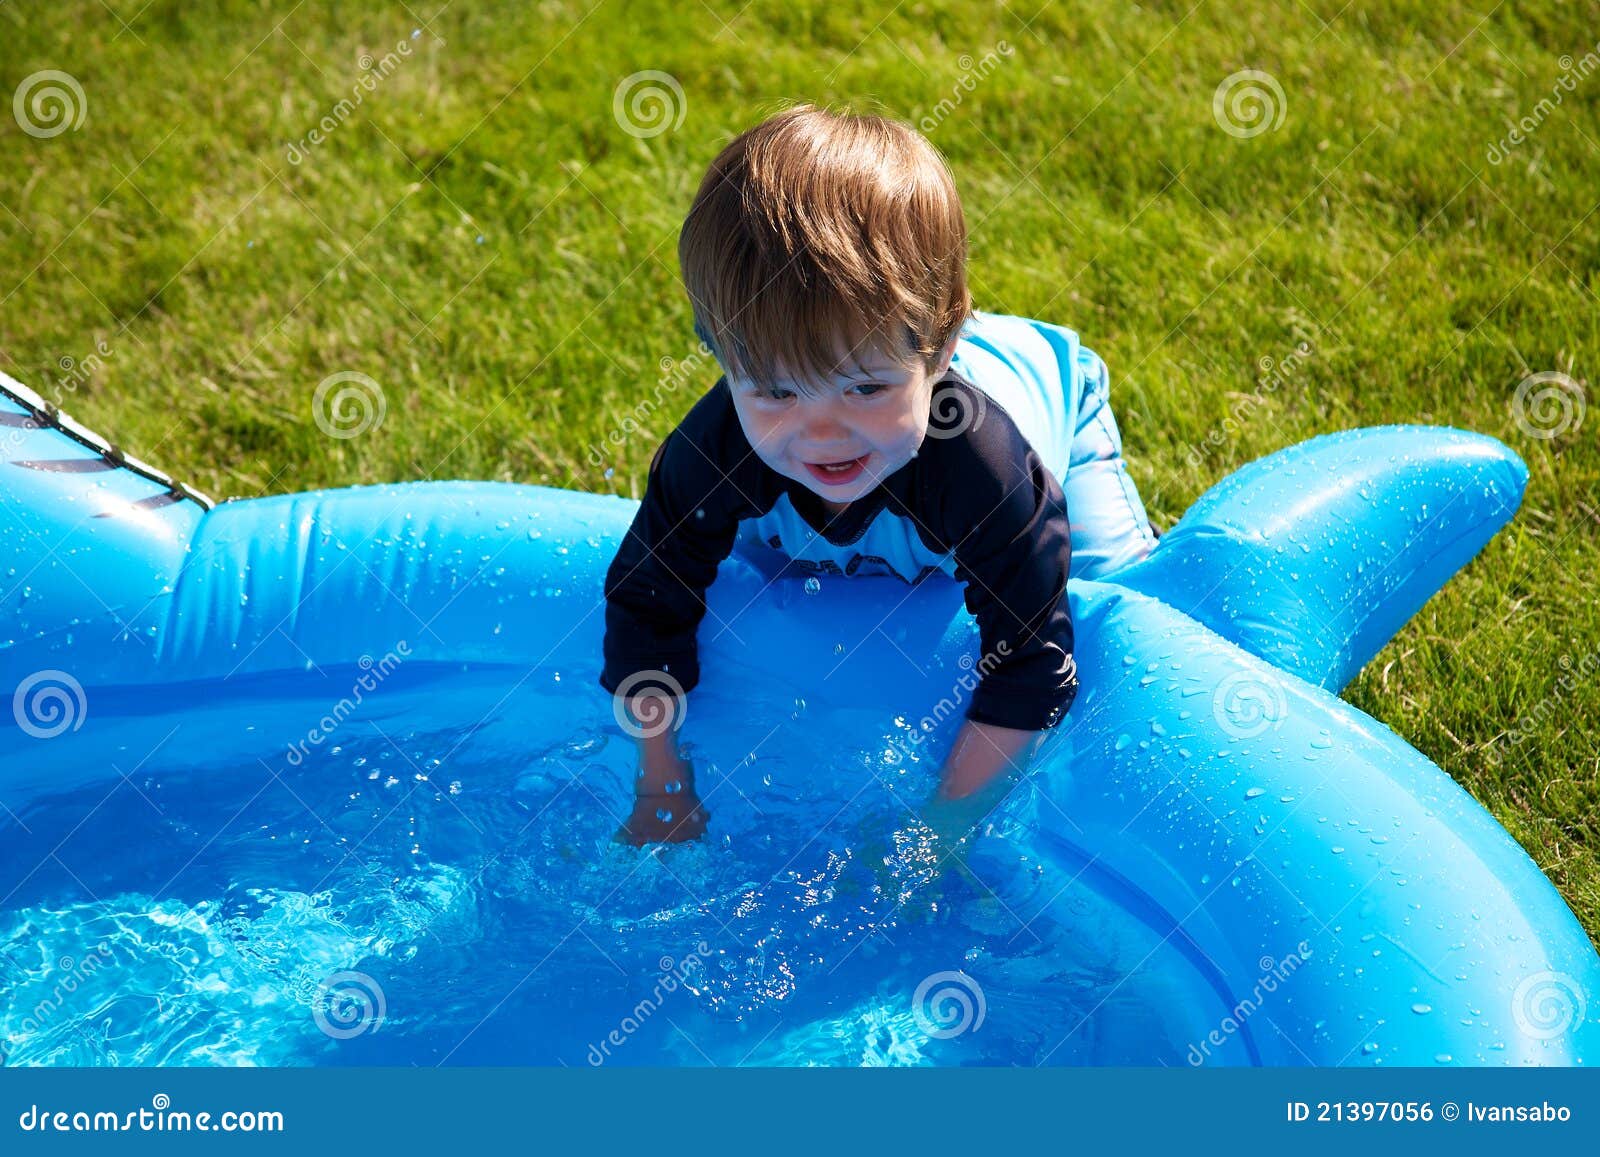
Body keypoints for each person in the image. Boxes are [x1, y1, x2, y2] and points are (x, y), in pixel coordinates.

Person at [599, 103, 1156, 852]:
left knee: (1123, 607)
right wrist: (661, 782)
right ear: (720, 357)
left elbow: (1033, 665)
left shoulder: (985, 468)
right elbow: (648, 603)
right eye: (777, 391)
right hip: (895, 382)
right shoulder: (719, 448)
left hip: (1057, 406)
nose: (823, 432)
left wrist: (940, 833)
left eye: (864, 389)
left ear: (942, 345)